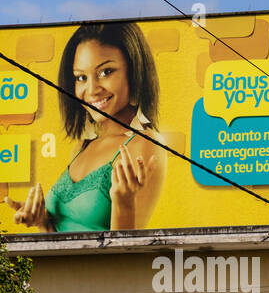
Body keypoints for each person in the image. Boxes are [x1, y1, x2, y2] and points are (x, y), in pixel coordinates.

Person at [6, 21, 166, 233]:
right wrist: (42, 222)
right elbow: (64, 243)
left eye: (105, 72)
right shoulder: (81, 147)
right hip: (59, 267)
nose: (91, 90)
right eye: (81, 77)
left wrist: (124, 204)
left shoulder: (145, 145)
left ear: (134, 70)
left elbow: (126, 257)